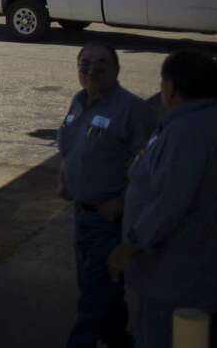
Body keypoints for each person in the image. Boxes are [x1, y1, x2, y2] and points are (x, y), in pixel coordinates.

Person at [108, 51, 217, 348]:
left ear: (171, 88)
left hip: (178, 282)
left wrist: (129, 245)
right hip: (209, 275)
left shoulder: (186, 132)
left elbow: (167, 204)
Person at [57, 43, 153, 348]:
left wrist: (121, 202)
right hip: (81, 215)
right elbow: (70, 144)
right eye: (84, 63)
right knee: (99, 287)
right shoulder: (78, 101)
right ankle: (119, 340)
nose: (91, 69)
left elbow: (150, 168)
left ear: (116, 69)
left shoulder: (132, 110)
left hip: (108, 221)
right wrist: (66, 175)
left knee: (94, 295)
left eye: (101, 63)